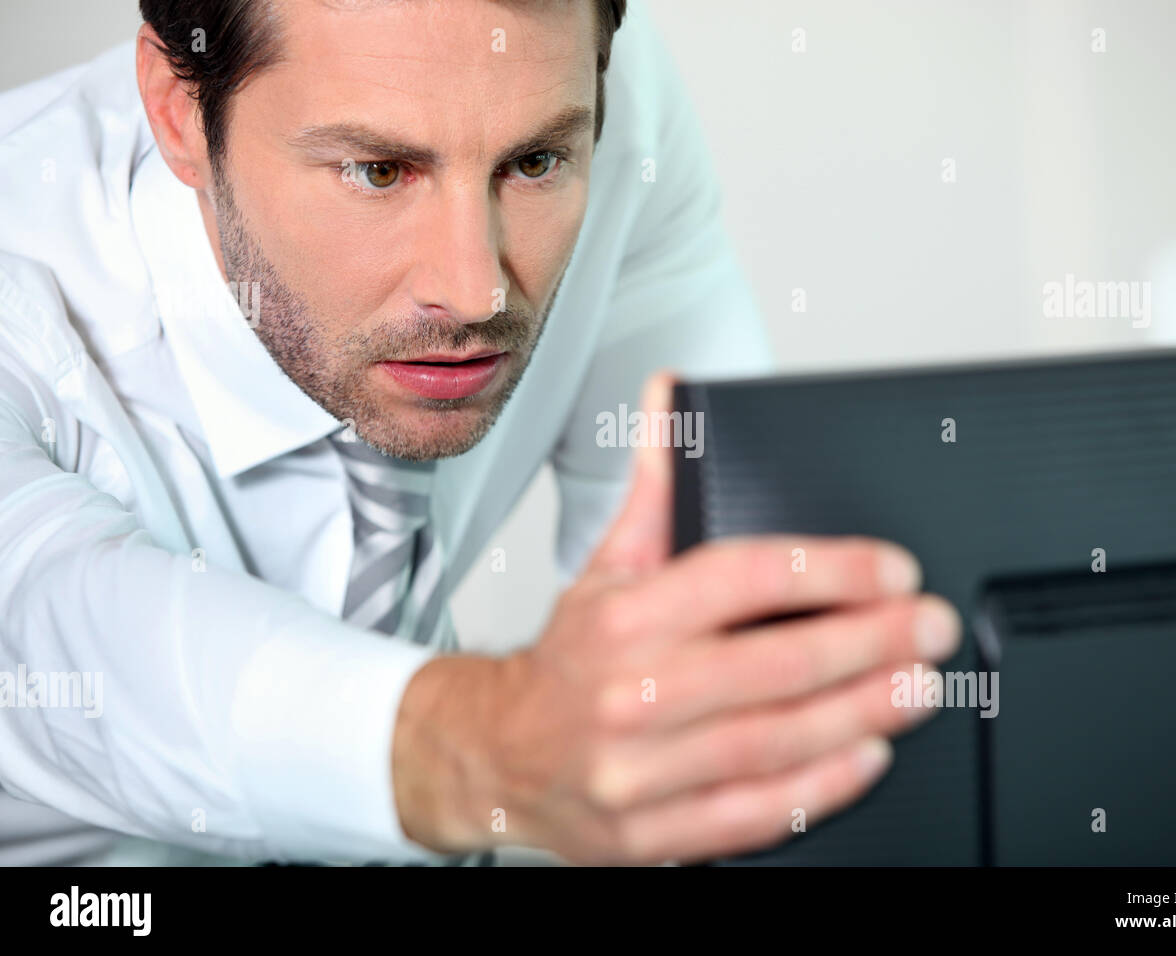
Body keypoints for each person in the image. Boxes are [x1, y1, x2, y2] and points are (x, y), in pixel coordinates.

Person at [0, 0, 959, 866]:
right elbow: (58, 626)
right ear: (175, 108)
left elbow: (720, 681)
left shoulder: (596, 97)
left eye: (533, 165)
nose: (475, 290)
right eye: (378, 170)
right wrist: (490, 749)